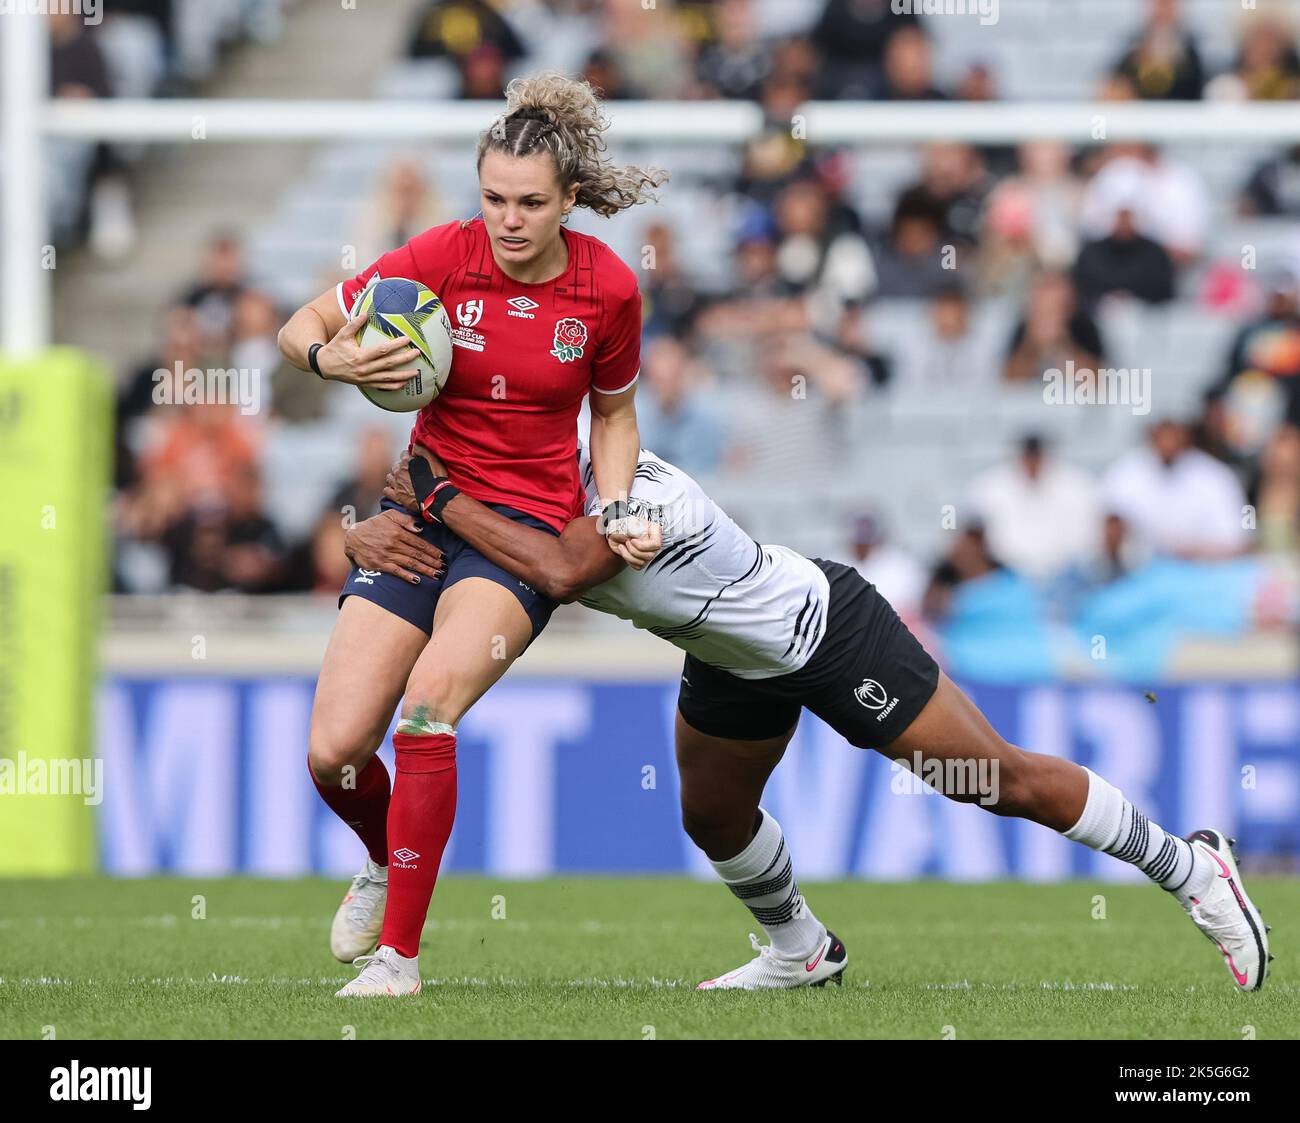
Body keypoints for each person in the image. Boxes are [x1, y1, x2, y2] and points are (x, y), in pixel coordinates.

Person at [346, 444, 1272, 994]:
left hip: (827, 632)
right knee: (711, 818)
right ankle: (800, 950)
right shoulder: (533, 484)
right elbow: (435, 530)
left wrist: (437, 496)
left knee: (996, 782)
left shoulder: (639, 497)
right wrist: (368, 529)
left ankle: (1191, 868)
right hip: (731, 652)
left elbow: (553, 572)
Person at [276, 72, 665, 997]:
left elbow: (613, 417)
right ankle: (384, 856)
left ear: (570, 199)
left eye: (531, 203)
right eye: (494, 198)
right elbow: (302, 326)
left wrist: (610, 510)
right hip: (419, 515)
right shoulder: (441, 257)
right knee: (332, 755)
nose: (509, 219)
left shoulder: (606, 288)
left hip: (519, 531)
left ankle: (398, 960)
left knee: (429, 702)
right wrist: (332, 357)